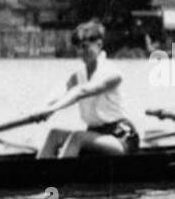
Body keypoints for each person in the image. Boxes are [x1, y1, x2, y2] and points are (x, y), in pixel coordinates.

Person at [35, 20, 139, 158]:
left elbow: (81, 92)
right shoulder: (78, 76)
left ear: (99, 45)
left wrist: (51, 109)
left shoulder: (113, 73)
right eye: (77, 47)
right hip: (95, 134)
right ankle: (39, 177)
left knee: (77, 137)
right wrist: (42, 109)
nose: (80, 52)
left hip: (120, 137)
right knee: (54, 134)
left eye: (85, 47)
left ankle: (59, 178)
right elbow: (59, 94)